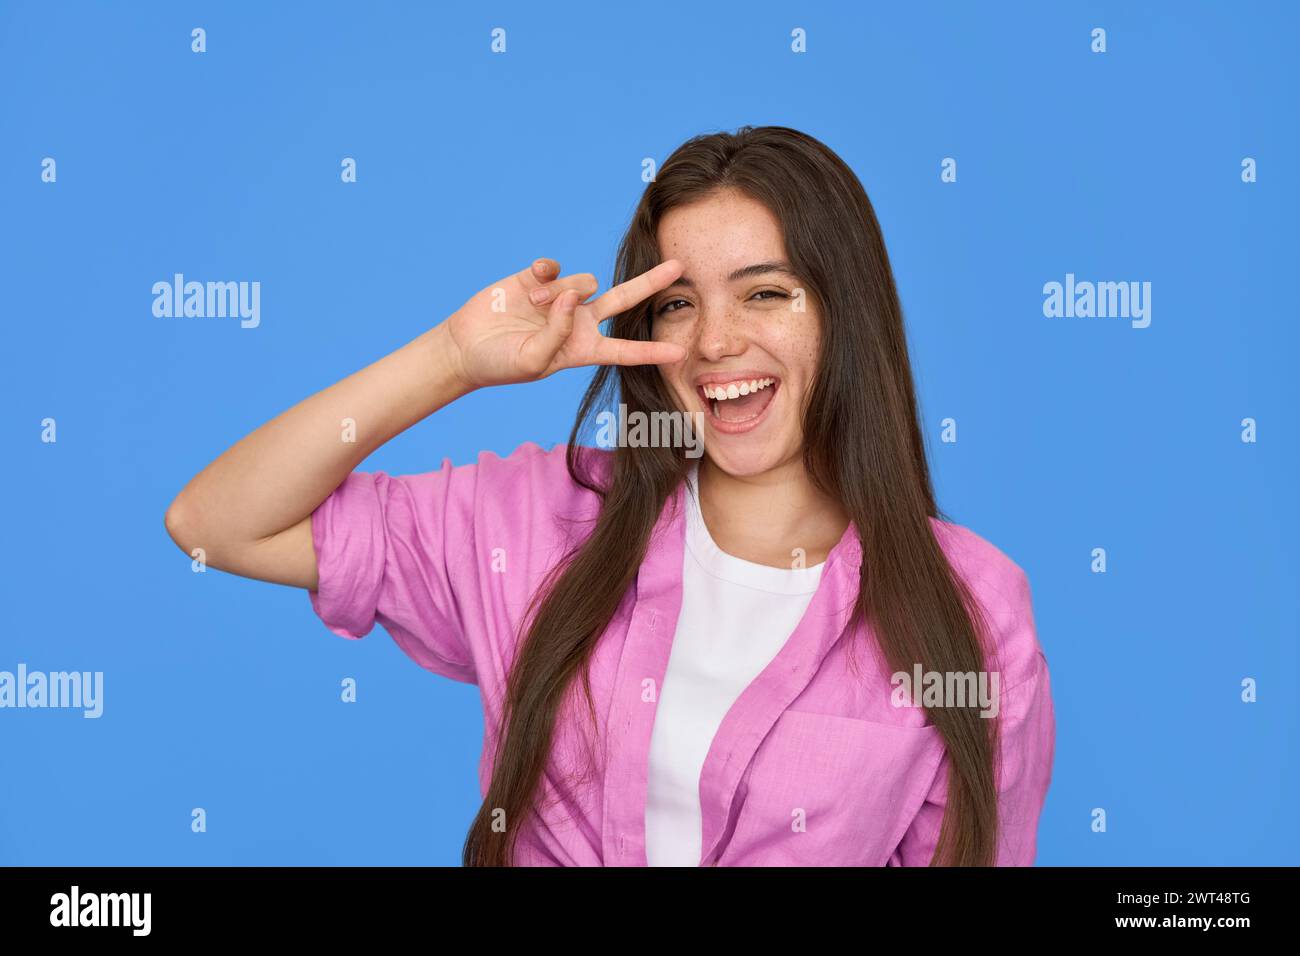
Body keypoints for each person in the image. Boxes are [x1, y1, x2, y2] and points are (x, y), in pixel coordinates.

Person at [164, 125, 1055, 866]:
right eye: (677, 305)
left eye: (767, 294)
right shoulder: (533, 520)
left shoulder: (974, 614)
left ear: (845, 314)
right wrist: (451, 361)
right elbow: (214, 524)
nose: (716, 342)